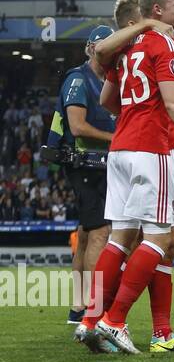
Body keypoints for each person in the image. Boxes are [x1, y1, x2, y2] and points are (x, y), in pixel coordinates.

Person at [78, 0, 174, 356]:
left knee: (122, 238)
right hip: (153, 149)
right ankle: (115, 321)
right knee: (159, 239)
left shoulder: (127, 50)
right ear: (156, 12)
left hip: (122, 149)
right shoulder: (162, 43)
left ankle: (92, 321)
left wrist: (133, 114)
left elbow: (107, 99)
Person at [48, 26, 117, 326]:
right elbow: (76, 127)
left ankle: (78, 307)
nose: (106, 53)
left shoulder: (109, 80)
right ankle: (93, 307)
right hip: (83, 165)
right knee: (101, 231)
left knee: (88, 234)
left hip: (98, 166)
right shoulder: (78, 79)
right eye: (101, 47)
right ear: (90, 49)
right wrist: (115, 139)